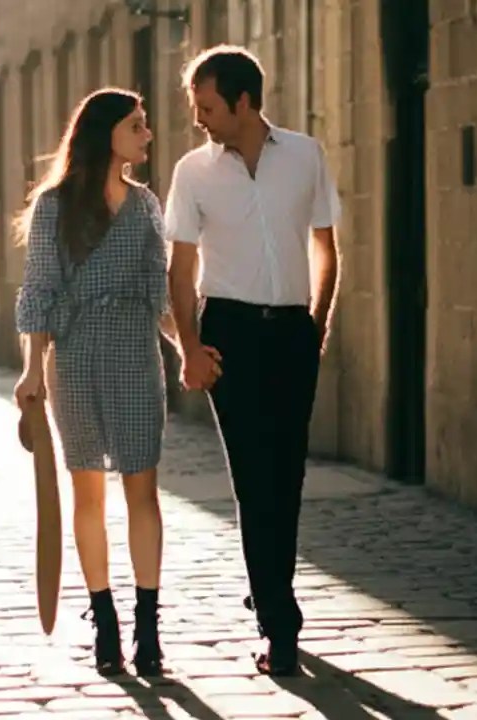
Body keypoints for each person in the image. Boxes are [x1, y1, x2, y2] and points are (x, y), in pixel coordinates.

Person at [13, 88, 207, 676]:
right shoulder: (54, 206)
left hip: (132, 350)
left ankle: (148, 625)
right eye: (136, 126)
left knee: (142, 491)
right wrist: (30, 370)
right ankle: (105, 620)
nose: (148, 134)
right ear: (107, 134)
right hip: (72, 358)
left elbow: (159, 292)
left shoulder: (148, 205)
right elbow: (40, 290)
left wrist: (190, 351)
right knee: (88, 494)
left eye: (144, 125)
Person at [164, 45, 342, 676]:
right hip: (229, 333)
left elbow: (327, 250)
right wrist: (190, 349)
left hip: (291, 331)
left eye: (207, 106)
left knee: (286, 476)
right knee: (252, 478)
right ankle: (278, 621)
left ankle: (272, 597)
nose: (199, 118)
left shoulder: (306, 157)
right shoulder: (193, 171)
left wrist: (314, 331)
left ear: (243, 102)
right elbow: (180, 271)